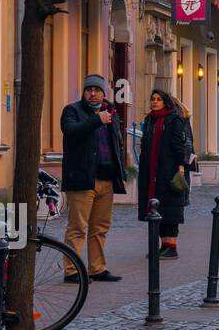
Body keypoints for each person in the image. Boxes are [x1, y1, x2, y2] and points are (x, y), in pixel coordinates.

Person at [59, 75, 127, 283]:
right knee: (77, 227)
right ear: (84, 92)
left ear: (104, 93)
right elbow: (70, 131)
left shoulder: (111, 114)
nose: (93, 93)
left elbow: (117, 143)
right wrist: (97, 120)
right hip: (82, 179)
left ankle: (97, 268)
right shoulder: (73, 111)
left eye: (97, 90)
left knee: (100, 228)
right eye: (89, 89)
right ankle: (72, 271)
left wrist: (120, 170)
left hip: (106, 179)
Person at [137, 89, 194, 259]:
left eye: (158, 99)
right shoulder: (149, 121)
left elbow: (179, 145)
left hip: (170, 171)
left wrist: (181, 167)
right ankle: (163, 245)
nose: (154, 102)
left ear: (165, 102)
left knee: (171, 209)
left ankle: (171, 246)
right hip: (152, 171)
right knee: (156, 208)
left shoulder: (174, 120)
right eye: (152, 99)